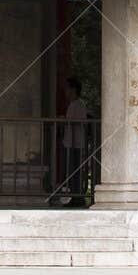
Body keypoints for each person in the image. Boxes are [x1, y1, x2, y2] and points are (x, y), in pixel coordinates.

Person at [61, 78, 90, 207]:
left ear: (73, 90)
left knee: (74, 171)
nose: (65, 92)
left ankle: (76, 197)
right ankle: (73, 197)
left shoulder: (78, 105)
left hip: (75, 144)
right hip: (71, 142)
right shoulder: (75, 105)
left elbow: (75, 121)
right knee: (70, 171)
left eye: (67, 88)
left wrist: (64, 120)